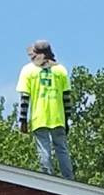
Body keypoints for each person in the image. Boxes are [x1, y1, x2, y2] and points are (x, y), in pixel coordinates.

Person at [17, 40, 74, 180]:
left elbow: (25, 98)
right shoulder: (60, 70)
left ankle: (48, 179)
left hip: (39, 116)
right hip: (58, 117)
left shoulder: (28, 70)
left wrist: (22, 120)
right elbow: (66, 99)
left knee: (44, 149)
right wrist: (67, 120)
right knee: (61, 148)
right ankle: (69, 179)